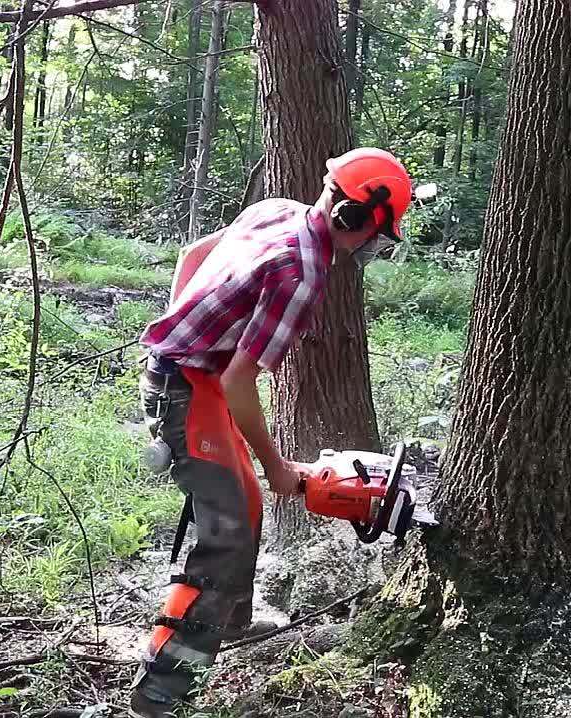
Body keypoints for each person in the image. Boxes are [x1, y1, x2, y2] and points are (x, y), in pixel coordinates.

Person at [128, 148, 415, 718]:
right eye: (374, 234)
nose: (368, 247)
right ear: (351, 219)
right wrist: (279, 465)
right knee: (228, 530)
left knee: (248, 501)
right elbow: (241, 382)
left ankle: (230, 619)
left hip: (189, 373)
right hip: (188, 386)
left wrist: (184, 323)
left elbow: (194, 254)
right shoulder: (302, 274)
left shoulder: (278, 209)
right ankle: (161, 689)